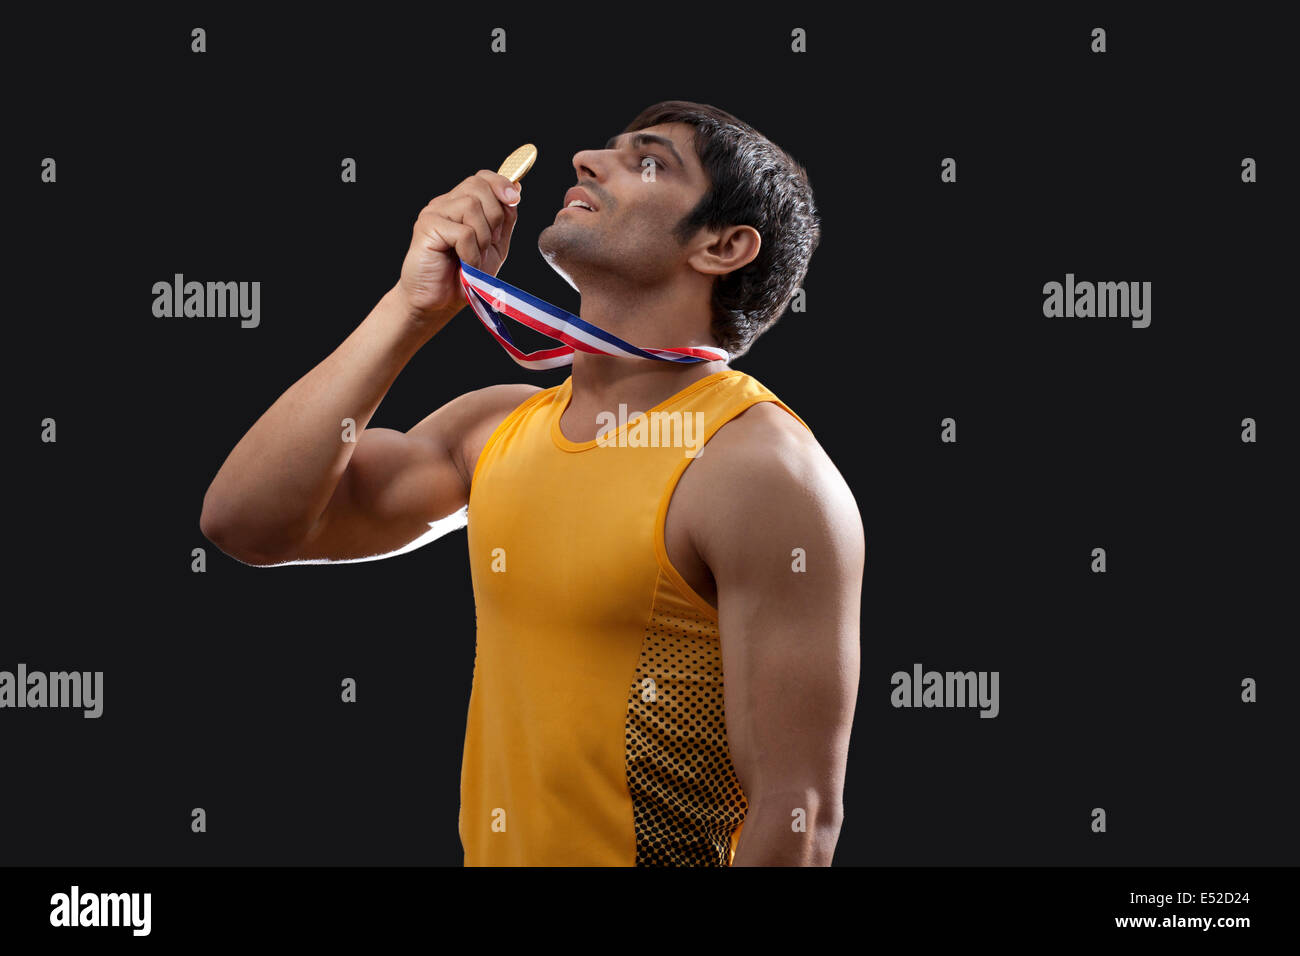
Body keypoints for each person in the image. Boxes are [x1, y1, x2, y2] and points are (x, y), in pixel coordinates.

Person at [200, 101, 863, 866]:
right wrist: (410, 310)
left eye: (647, 161)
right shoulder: (494, 430)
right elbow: (246, 522)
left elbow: (800, 815)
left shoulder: (758, 468)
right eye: (605, 148)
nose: (585, 158)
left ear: (723, 245)